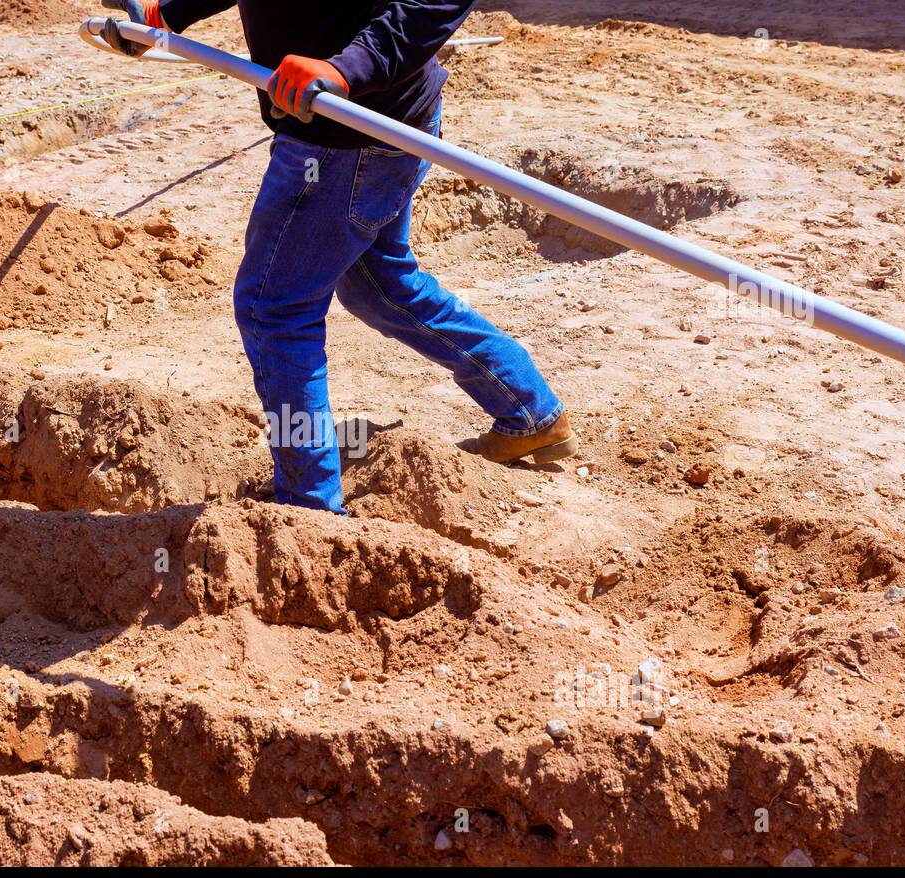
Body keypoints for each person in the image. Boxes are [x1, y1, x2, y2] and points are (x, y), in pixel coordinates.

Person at [101, 0, 576, 513]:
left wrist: (343, 68)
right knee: (379, 285)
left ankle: (309, 511)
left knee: (275, 308)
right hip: (356, 128)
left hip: (348, 138)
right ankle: (529, 412)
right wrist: (168, 12)